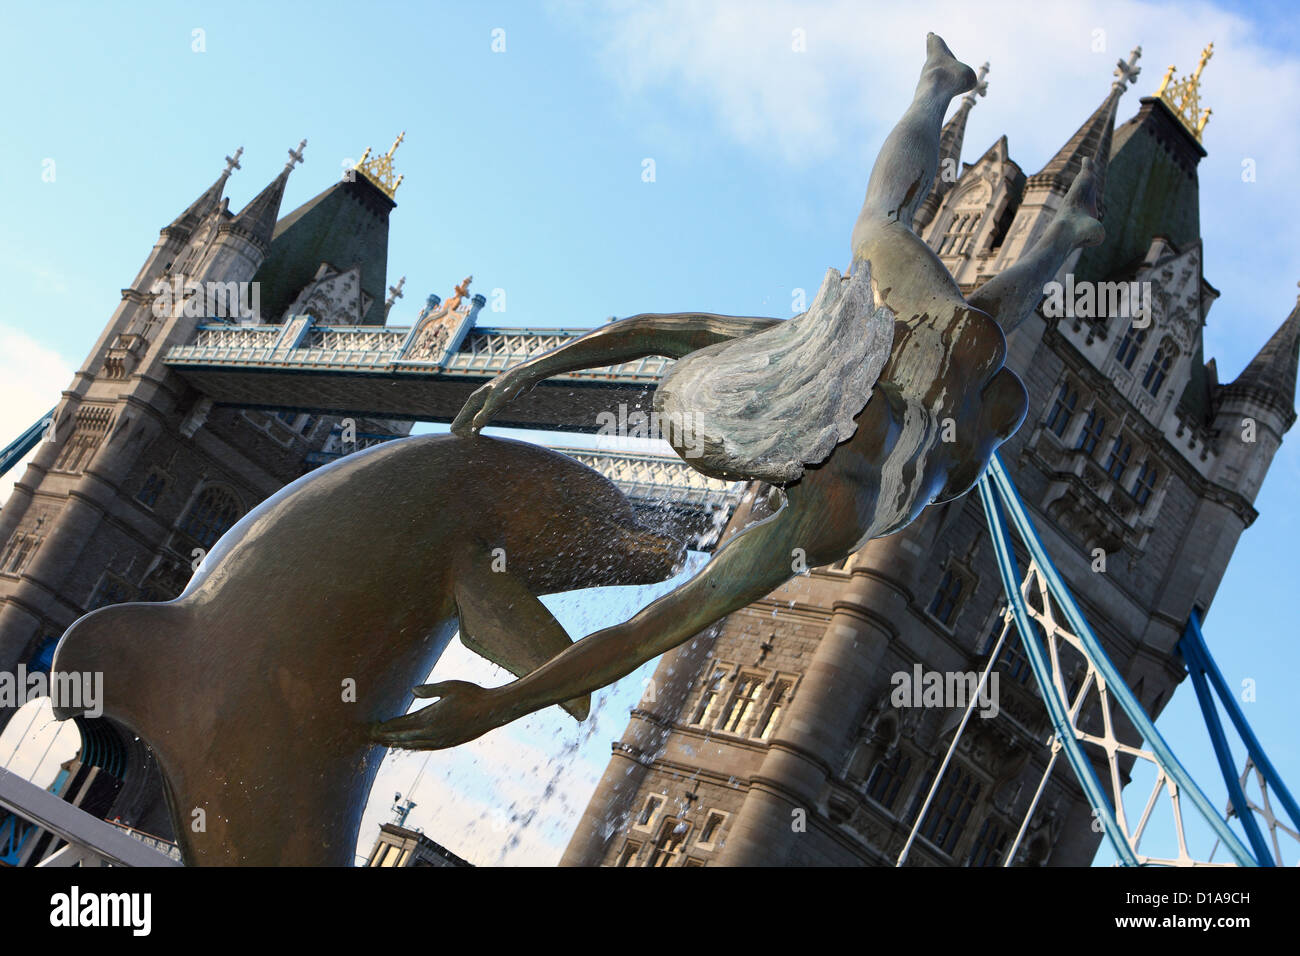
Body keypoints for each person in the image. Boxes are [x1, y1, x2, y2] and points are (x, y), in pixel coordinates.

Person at [373, 33, 1105, 751]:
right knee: (883, 229)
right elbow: (654, 328)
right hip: (928, 360)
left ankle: (1052, 229)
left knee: (969, 333)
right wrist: (530, 372)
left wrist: (498, 707)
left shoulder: (826, 513)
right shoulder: (812, 352)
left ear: (759, 460)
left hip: (953, 441)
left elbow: (645, 631)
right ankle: (940, 88)